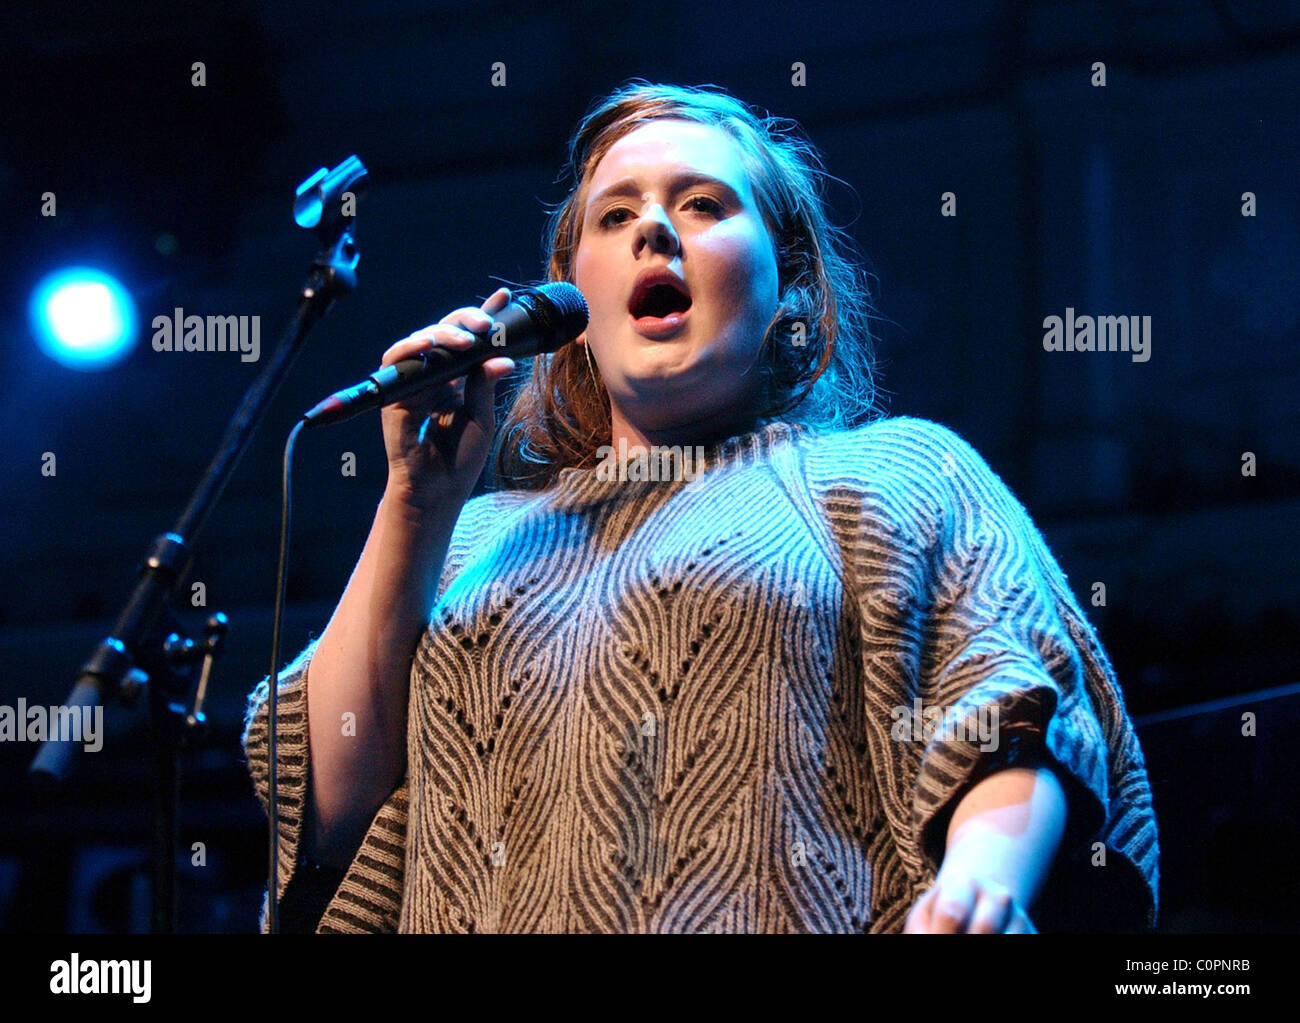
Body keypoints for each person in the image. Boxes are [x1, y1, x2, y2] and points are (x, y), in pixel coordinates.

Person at [243, 80, 1159, 933]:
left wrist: (982, 878)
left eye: (702, 205)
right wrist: (414, 500)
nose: (652, 229)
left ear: (789, 285)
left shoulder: (894, 474)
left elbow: (1011, 703)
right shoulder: (472, 540)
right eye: (615, 213)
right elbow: (325, 804)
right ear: (571, 299)